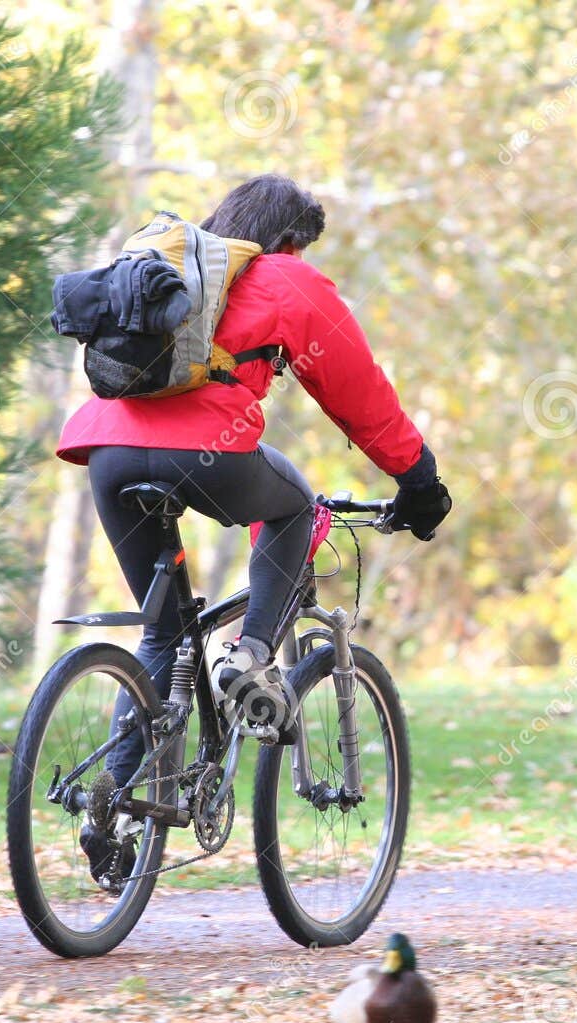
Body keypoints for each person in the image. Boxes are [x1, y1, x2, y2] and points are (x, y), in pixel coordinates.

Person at [56, 174, 451, 742]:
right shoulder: (284, 276)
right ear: (289, 241)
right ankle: (251, 655)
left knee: (160, 636)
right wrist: (419, 479)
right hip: (205, 452)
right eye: (302, 246)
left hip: (107, 453)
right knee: (296, 509)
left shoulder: (169, 273)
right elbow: (357, 390)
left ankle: (112, 815)